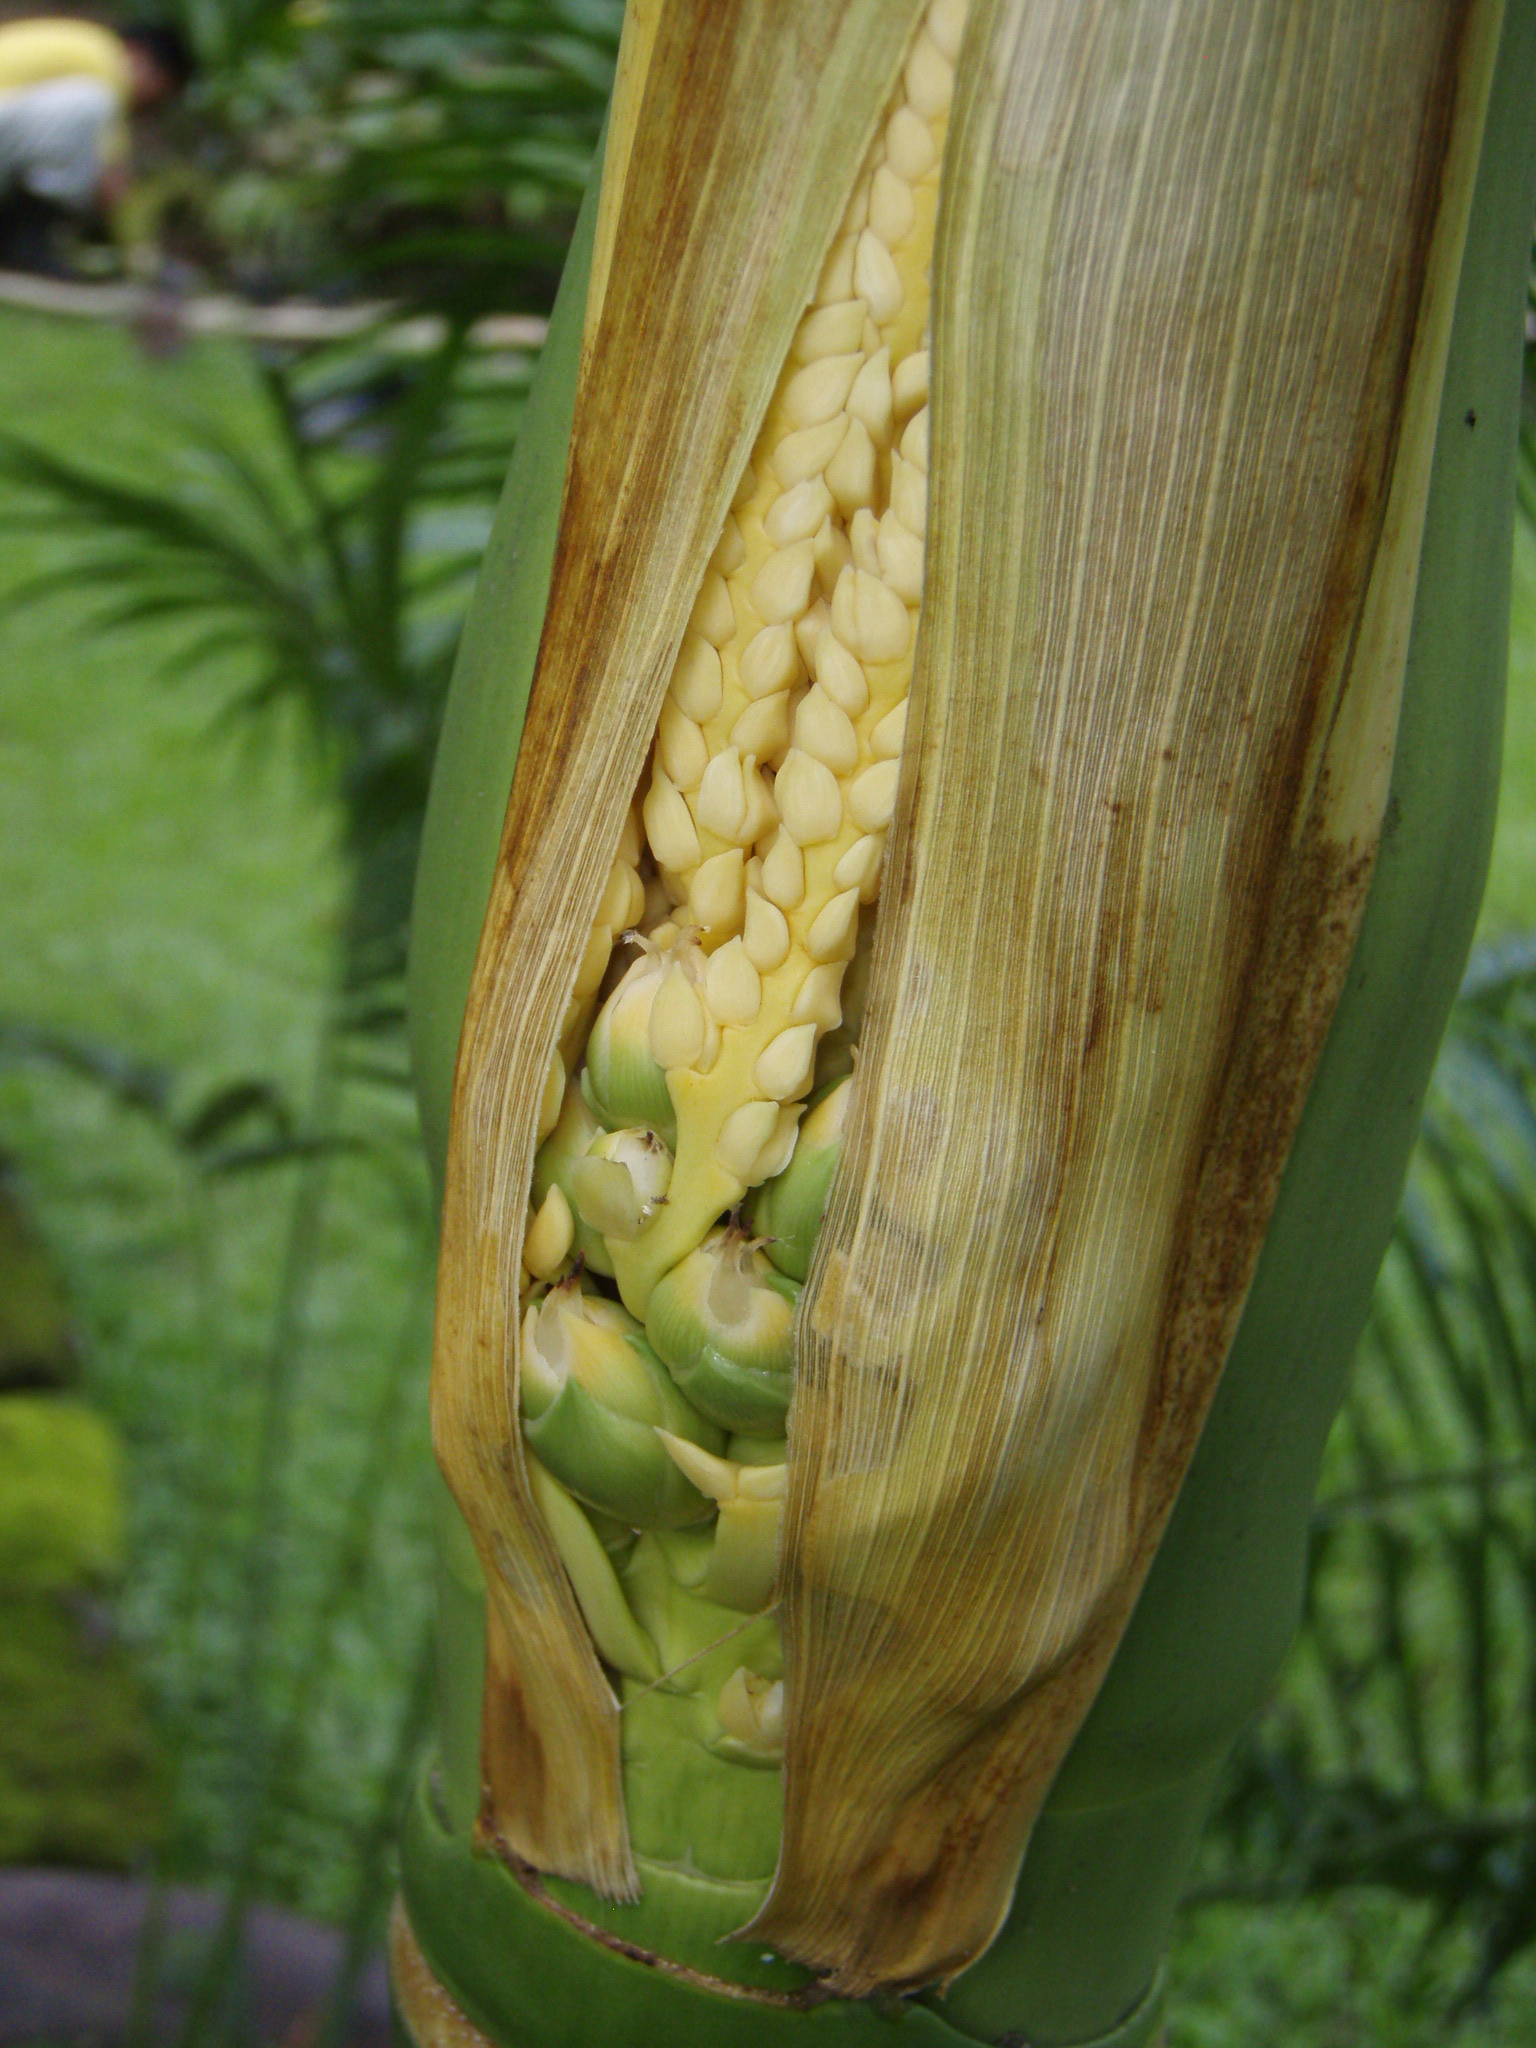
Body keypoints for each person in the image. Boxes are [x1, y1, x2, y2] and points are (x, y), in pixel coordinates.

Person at [0, 18, 191, 274]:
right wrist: (139, 250)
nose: (151, 99)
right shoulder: (105, 58)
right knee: (91, 104)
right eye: (159, 84)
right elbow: (111, 178)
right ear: (138, 55)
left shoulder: (83, 48)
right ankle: (24, 243)